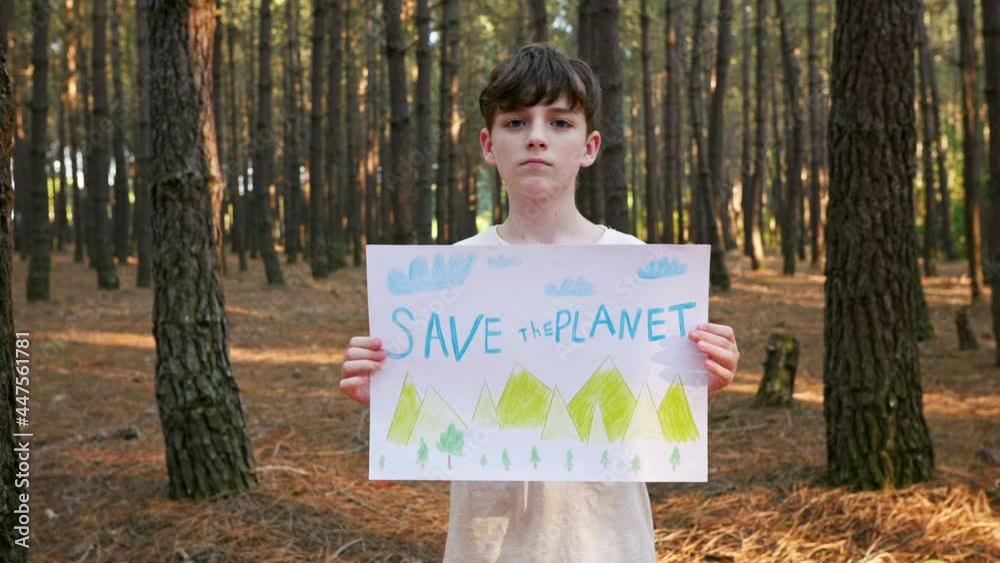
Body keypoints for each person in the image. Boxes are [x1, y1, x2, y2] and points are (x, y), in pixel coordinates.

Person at [340, 43, 740, 563]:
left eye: (559, 122)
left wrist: (693, 379)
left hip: (611, 548)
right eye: (514, 122)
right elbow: (396, 478)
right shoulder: (447, 280)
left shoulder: (641, 270)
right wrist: (389, 404)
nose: (535, 137)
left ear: (590, 146)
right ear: (488, 145)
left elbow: (652, 435)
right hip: (484, 551)